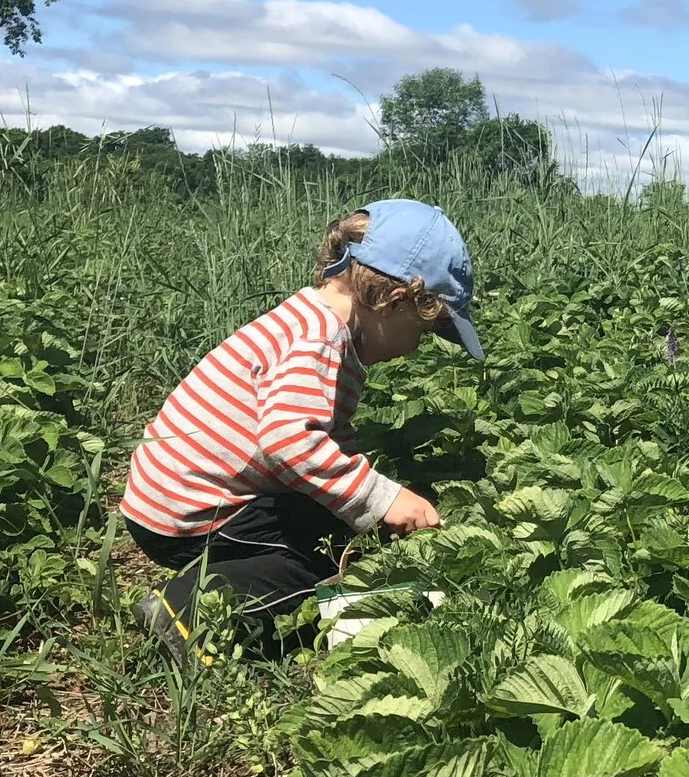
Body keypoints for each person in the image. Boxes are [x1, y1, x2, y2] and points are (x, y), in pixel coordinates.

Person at [117, 199, 481, 659]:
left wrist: (369, 503)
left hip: (173, 496)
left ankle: (224, 583)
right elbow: (290, 443)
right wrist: (383, 499)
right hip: (190, 513)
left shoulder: (308, 319)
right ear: (396, 301)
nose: (414, 347)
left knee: (335, 527)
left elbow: (320, 438)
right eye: (422, 332)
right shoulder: (321, 340)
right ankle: (191, 612)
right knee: (315, 557)